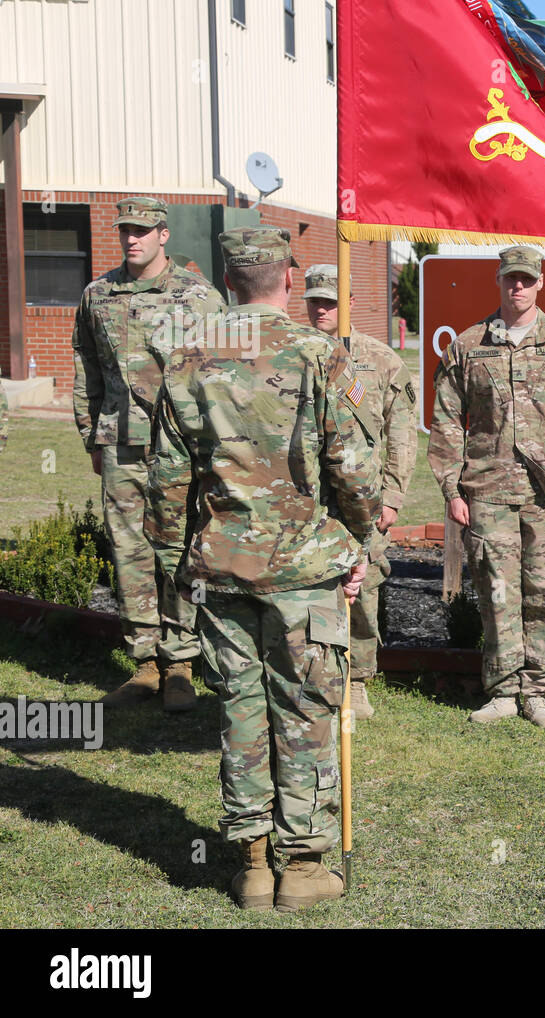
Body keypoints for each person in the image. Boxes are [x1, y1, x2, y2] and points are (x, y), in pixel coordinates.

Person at [146, 227, 380, 911]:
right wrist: (358, 545)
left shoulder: (188, 357)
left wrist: (177, 563)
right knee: (305, 709)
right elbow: (353, 469)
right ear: (286, 278)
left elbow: (164, 481)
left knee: (242, 712)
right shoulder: (318, 354)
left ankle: (252, 863)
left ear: (229, 278)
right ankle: (303, 868)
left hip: (222, 566)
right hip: (305, 570)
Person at [427, 245, 545, 729]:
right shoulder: (468, 346)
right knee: (496, 592)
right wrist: (451, 490)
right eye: (510, 279)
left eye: (526, 279)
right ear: (499, 281)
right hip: (488, 490)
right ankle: (504, 691)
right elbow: (445, 422)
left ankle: (540, 691)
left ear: (541, 282)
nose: (518, 287)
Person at [72, 197, 226, 712]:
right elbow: (87, 364)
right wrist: (91, 432)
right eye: (125, 230)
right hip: (121, 443)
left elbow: (221, 372)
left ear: (164, 234)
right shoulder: (98, 294)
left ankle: (179, 662)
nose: (131, 238)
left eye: (142, 230)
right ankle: (142, 663)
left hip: (180, 445)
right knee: (129, 550)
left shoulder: (198, 297)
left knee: (180, 547)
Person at [304, 264, 418, 721]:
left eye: (331, 301)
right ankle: (317, 675)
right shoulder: (296, 353)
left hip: (363, 498)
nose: (322, 309)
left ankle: (358, 679)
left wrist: (391, 496)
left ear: (349, 302)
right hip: (307, 496)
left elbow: (403, 432)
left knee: (364, 587)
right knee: (311, 585)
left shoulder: (381, 359)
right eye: (314, 301)